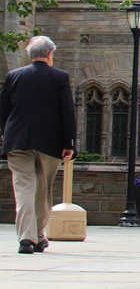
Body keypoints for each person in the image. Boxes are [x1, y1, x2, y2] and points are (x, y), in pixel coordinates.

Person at [1, 36, 76, 254]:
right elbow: (67, 113)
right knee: (42, 191)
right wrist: (68, 143)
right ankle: (39, 234)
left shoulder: (14, 76)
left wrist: (7, 134)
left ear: (30, 54)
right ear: (50, 54)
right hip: (49, 142)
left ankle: (27, 238)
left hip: (17, 142)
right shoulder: (59, 77)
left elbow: (3, 109)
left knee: (24, 190)